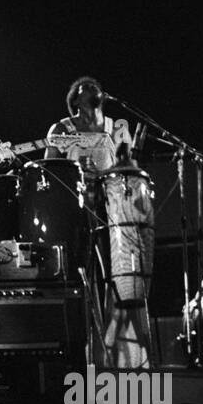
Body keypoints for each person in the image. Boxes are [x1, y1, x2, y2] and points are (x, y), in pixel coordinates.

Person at [45, 75, 151, 368]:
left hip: (109, 209)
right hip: (74, 209)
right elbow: (49, 168)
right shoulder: (61, 129)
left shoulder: (116, 127)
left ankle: (116, 351)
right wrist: (73, 169)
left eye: (96, 88)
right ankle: (80, 353)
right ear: (75, 98)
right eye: (84, 88)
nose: (92, 89)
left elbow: (126, 167)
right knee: (80, 276)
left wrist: (129, 161)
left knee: (112, 277)